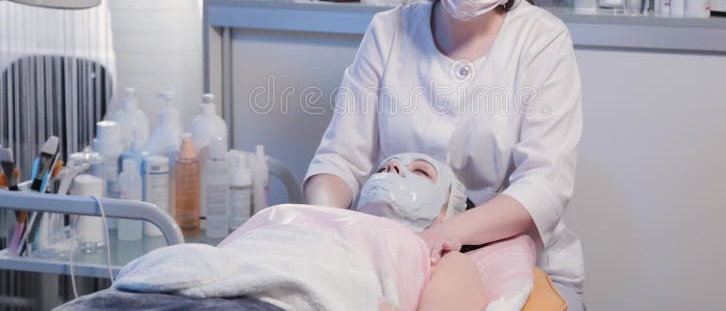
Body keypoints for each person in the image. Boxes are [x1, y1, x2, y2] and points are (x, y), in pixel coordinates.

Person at [304, 0, 585, 310]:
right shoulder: (389, 31)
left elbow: (544, 185)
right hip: (393, 250)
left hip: (509, 256)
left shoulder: (542, 42)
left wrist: (447, 235)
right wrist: (323, 224)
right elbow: (341, 157)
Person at [113, 153, 505, 311]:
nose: (395, 171)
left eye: (420, 171)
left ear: (446, 210)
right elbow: (223, 264)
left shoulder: (440, 257)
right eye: (385, 168)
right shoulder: (294, 214)